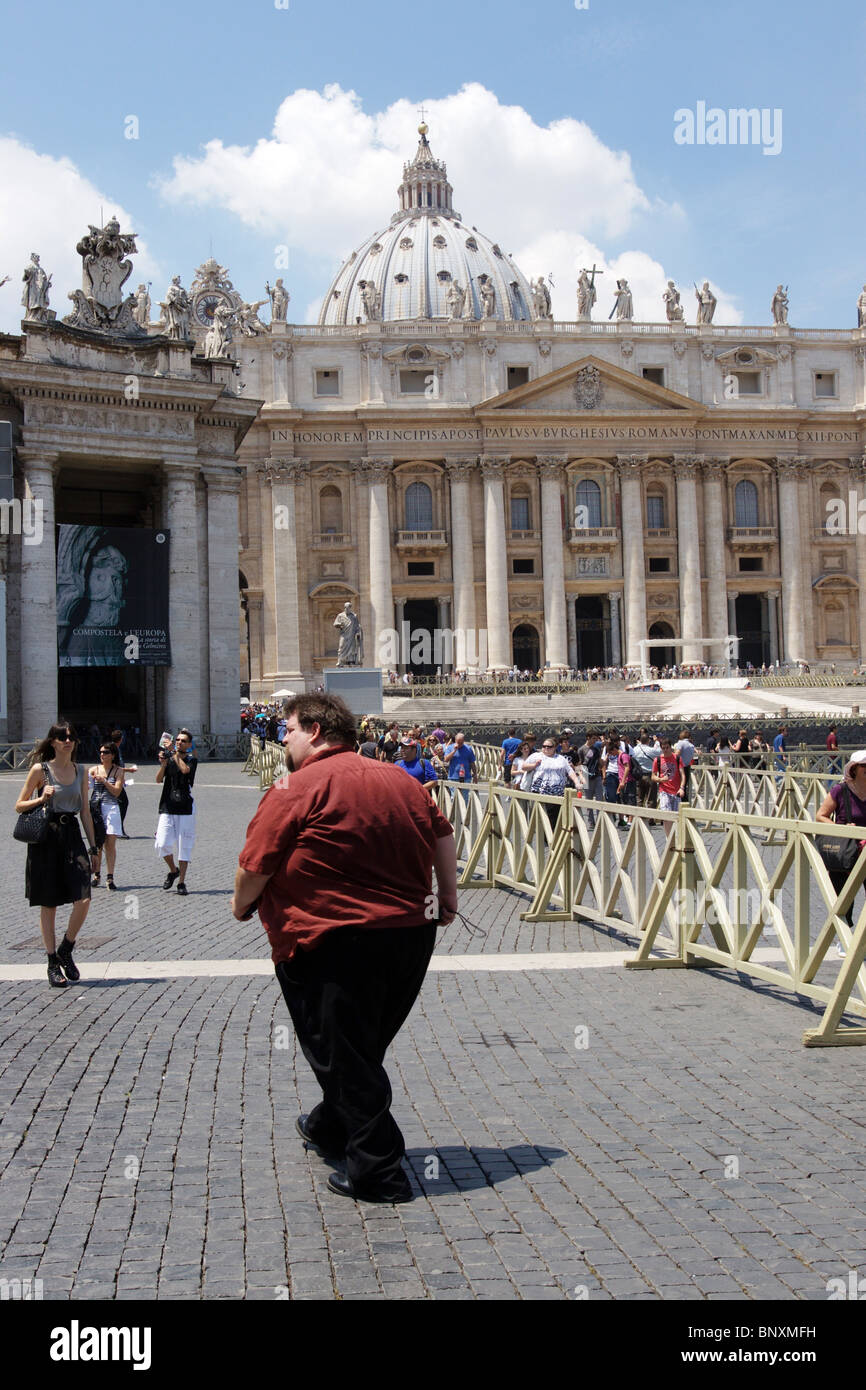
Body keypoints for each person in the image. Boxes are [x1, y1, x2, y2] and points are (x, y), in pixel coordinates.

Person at [232, 693, 457, 1203]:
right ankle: (329, 1126)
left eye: (287, 729)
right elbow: (441, 834)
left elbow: (255, 865)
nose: (281, 738)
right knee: (360, 1043)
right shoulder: (401, 779)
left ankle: (379, 1172)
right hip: (410, 936)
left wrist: (240, 905)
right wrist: (447, 895)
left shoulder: (294, 785)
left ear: (314, 729)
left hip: (330, 939)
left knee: (343, 1052)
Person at [15, 721, 99, 988]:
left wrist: (94, 847)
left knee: (83, 896)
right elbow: (19, 805)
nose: (67, 741)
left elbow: (84, 810)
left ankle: (66, 948)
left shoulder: (80, 770)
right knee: (48, 902)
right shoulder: (41, 770)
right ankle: (52, 962)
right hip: (46, 837)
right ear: (52, 741)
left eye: (71, 737)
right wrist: (41, 798)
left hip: (71, 833)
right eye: (62, 737)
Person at [816, 751, 866, 956]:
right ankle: (843, 938)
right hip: (846, 850)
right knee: (844, 897)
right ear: (854, 769)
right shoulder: (840, 790)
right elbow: (820, 816)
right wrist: (843, 828)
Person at [155, 729, 197, 894]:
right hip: (167, 805)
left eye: (183, 741)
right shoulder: (170, 758)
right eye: (177, 740)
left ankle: (181, 882)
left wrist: (173, 753)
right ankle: (173, 870)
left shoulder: (192, 760)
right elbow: (158, 779)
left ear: (188, 745)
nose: (179, 742)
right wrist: (164, 764)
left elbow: (185, 770)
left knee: (184, 845)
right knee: (162, 843)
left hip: (185, 807)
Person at [87, 742, 126, 889]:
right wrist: (87, 779)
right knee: (97, 843)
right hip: (96, 808)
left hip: (111, 808)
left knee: (110, 843)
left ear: (113, 755)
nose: (102, 754)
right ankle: (96, 874)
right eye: (101, 752)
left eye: (106, 752)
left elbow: (117, 792)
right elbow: (87, 788)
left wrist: (104, 781)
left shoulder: (118, 771)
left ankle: (110, 876)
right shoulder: (93, 769)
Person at [521, 737, 581, 829]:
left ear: (555, 747)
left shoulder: (560, 758)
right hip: (540, 792)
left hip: (558, 793)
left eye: (549, 747)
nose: (546, 748)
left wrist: (577, 782)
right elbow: (524, 767)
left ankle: (552, 840)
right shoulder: (536, 756)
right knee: (543, 818)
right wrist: (534, 765)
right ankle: (546, 840)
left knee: (555, 819)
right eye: (544, 746)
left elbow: (570, 771)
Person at [632, 728, 662, 812]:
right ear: (649, 740)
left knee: (639, 798)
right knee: (651, 798)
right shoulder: (651, 750)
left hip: (639, 775)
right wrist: (656, 741)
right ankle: (651, 818)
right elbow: (660, 752)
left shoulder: (635, 750)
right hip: (650, 775)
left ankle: (639, 817)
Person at [652, 737, 685, 813]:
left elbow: (682, 775)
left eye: (667, 748)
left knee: (676, 816)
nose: (665, 750)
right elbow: (653, 776)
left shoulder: (677, 758)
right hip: (664, 790)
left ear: (671, 747)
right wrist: (661, 779)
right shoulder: (657, 760)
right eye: (663, 748)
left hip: (676, 791)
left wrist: (682, 788)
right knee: (666, 814)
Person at [674, 727, 696, 803]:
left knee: (676, 787)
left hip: (678, 768)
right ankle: (685, 804)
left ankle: (678, 804)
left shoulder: (681, 743)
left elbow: (677, 754)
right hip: (687, 767)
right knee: (683, 788)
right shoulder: (691, 746)